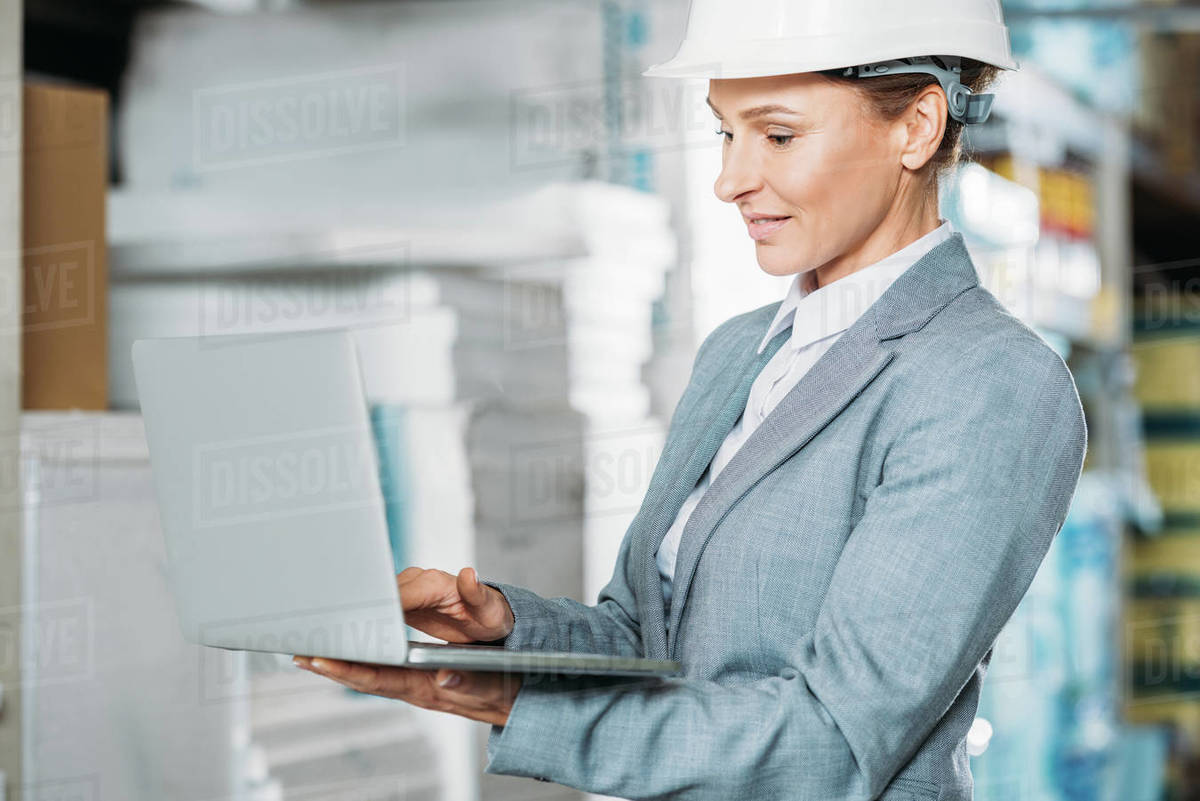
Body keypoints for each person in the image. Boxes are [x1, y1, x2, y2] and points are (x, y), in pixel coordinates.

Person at [292, 1, 1089, 799]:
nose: (729, 180)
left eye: (777, 134)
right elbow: (651, 636)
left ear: (916, 126)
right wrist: (504, 627)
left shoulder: (987, 383)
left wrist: (507, 701)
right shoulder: (740, 351)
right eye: (724, 131)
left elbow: (835, 742)